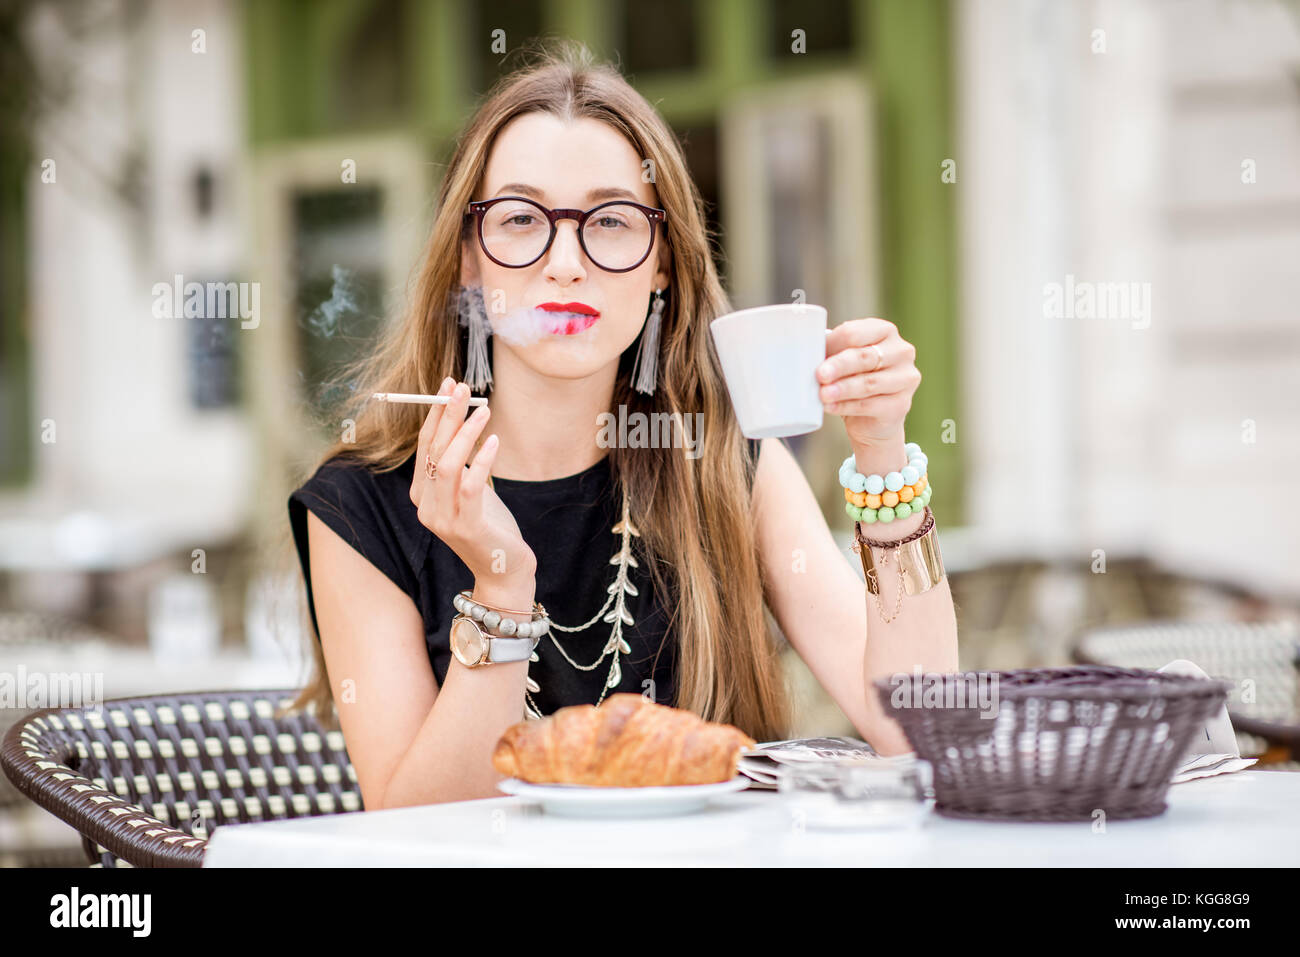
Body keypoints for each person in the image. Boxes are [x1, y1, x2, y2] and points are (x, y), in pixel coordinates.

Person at [286, 40, 958, 809]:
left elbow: (922, 729)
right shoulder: (361, 507)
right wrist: (503, 587)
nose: (566, 261)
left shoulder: (717, 455)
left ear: (662, 262)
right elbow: (418, 832)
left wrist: (882, 458)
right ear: (470, 259)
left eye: (608, 221)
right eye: (519, 218)